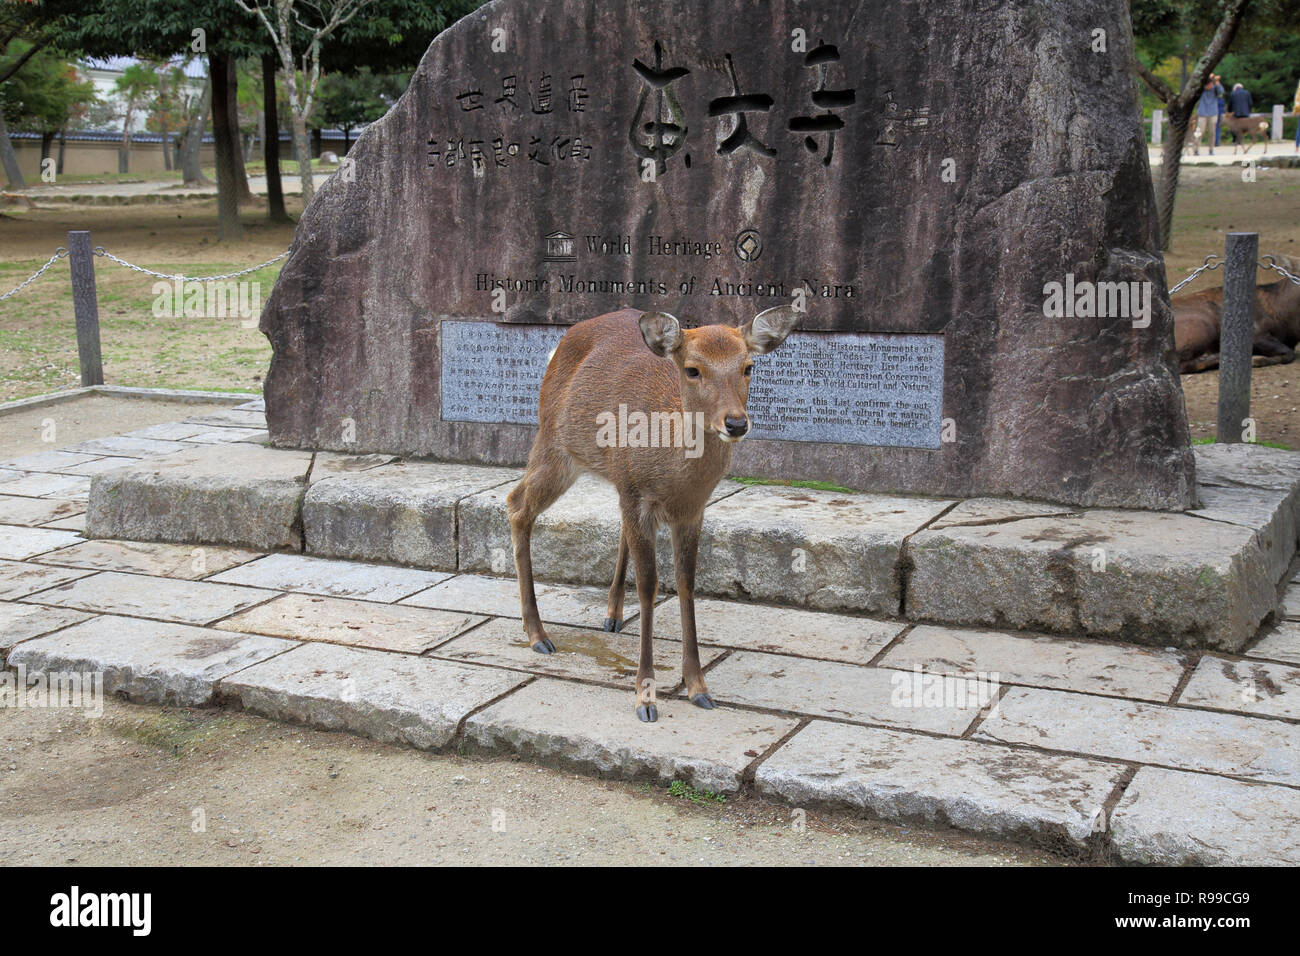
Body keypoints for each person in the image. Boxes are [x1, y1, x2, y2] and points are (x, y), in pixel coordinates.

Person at [1191, 74, 1225, 155]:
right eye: (1207, 85)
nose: (1209, 86)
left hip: (1213, 113)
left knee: (1212, 132)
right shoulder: (1201, 90)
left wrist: (1217, 82)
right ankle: (1196, 149)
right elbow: (1196, 87)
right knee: (1199, 132)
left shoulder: (1215, 89)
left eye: (1210, 84)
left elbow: (1221, 91)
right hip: (1202, 113)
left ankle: (1211, 149)